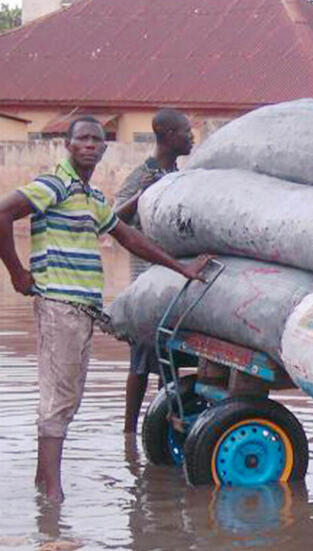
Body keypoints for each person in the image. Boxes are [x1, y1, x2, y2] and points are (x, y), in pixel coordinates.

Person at [0, 116, 209, 502]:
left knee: (68, 398)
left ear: (104, 147)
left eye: (97, 140)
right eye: (82, 139)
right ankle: (53, 496)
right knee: (60, 398)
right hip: (59, 304)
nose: (90, 145)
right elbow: (3, 211)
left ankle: (43, 483)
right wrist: (16, 272)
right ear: (67, 144)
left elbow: (128, 237)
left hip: (82, 308)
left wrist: (182, 268)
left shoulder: (91, 196)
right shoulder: (55, 185)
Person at [115, 108, 194, 434]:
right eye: (186, 131)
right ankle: (129, 433)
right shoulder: (144, 175)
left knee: (168, 359)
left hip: (174, 281)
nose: (191, 137)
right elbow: (113, 220)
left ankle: (161, 430)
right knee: (141, 360)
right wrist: (142, 194)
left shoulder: (178, 175)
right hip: (146, 281)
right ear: (168, 135)